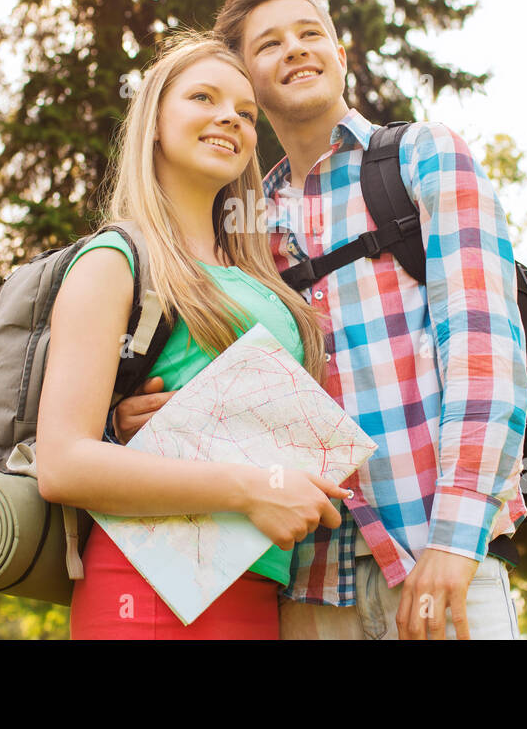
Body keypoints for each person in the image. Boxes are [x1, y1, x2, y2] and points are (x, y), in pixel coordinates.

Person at [115, 0, 527, 639]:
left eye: (312, 34)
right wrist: (142, 425)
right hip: (308, 580)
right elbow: (228, 389)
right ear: (246, 81)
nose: (297, 49)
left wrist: (455, 538)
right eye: (271, 43)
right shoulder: (245, 223)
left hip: (434, 553)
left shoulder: (425, 157)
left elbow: (486, 353)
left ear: (341, 56)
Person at [35, 31, 351, 640]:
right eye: (203, 98)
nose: (228, 118)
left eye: (245, 113)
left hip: (256, 590)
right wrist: (255, 488)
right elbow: (63, 463)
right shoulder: (115, 259)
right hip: (147, 589)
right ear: (154, 121)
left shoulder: (261, 279)